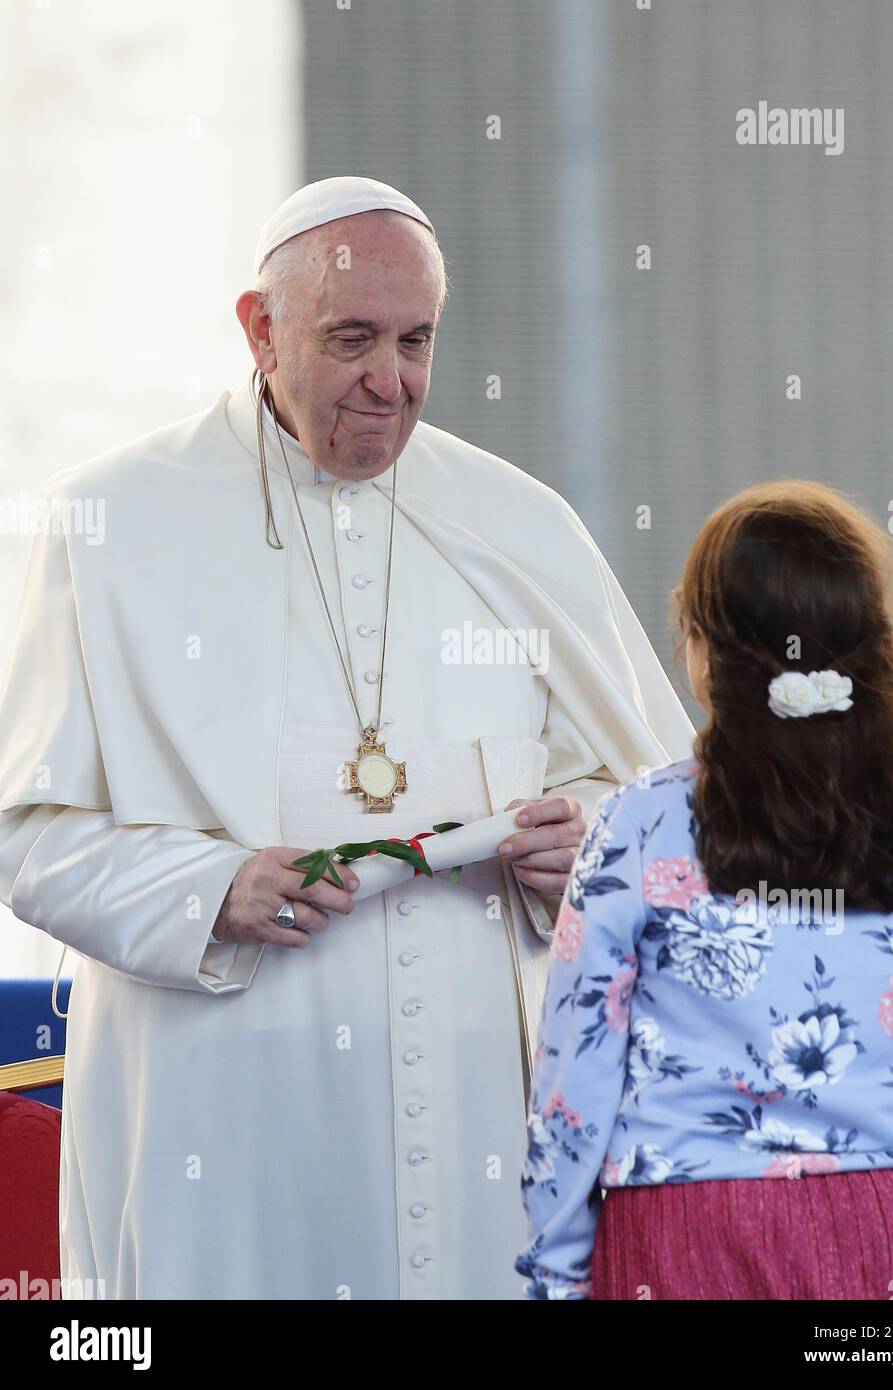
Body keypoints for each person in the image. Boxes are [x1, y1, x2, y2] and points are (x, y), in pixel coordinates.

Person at [0, 176, 694, 1300]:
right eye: (353, 339)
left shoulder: (517, 523)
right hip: (217, 1101)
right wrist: (207, 890)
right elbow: (26, 831)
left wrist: (588, 842)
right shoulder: (111, 522)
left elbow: (658, 800)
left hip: (472, 1101)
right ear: (259, 329)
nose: (391, 382)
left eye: (416, 340)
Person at [516, 480, 893, 1300]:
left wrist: (555, 1278)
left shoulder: (640, 822)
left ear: (705, 651)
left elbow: (572, 1086)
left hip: (685, 1229)